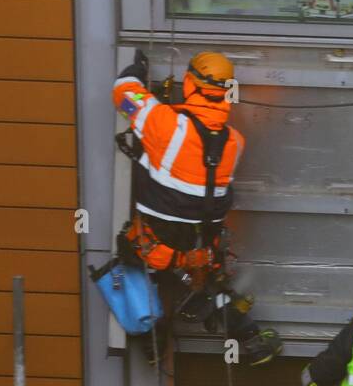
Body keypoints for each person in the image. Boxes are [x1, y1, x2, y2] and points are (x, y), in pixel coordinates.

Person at [112, 47, 281, 365]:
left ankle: (153, 342)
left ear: (190, 84)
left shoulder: (163, 122)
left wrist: (137, 71)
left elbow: (123, 94)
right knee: (210, 286)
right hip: (201, 248)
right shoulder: (234, 142)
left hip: (155, 246)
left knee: (152, 280)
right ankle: (249, 336)